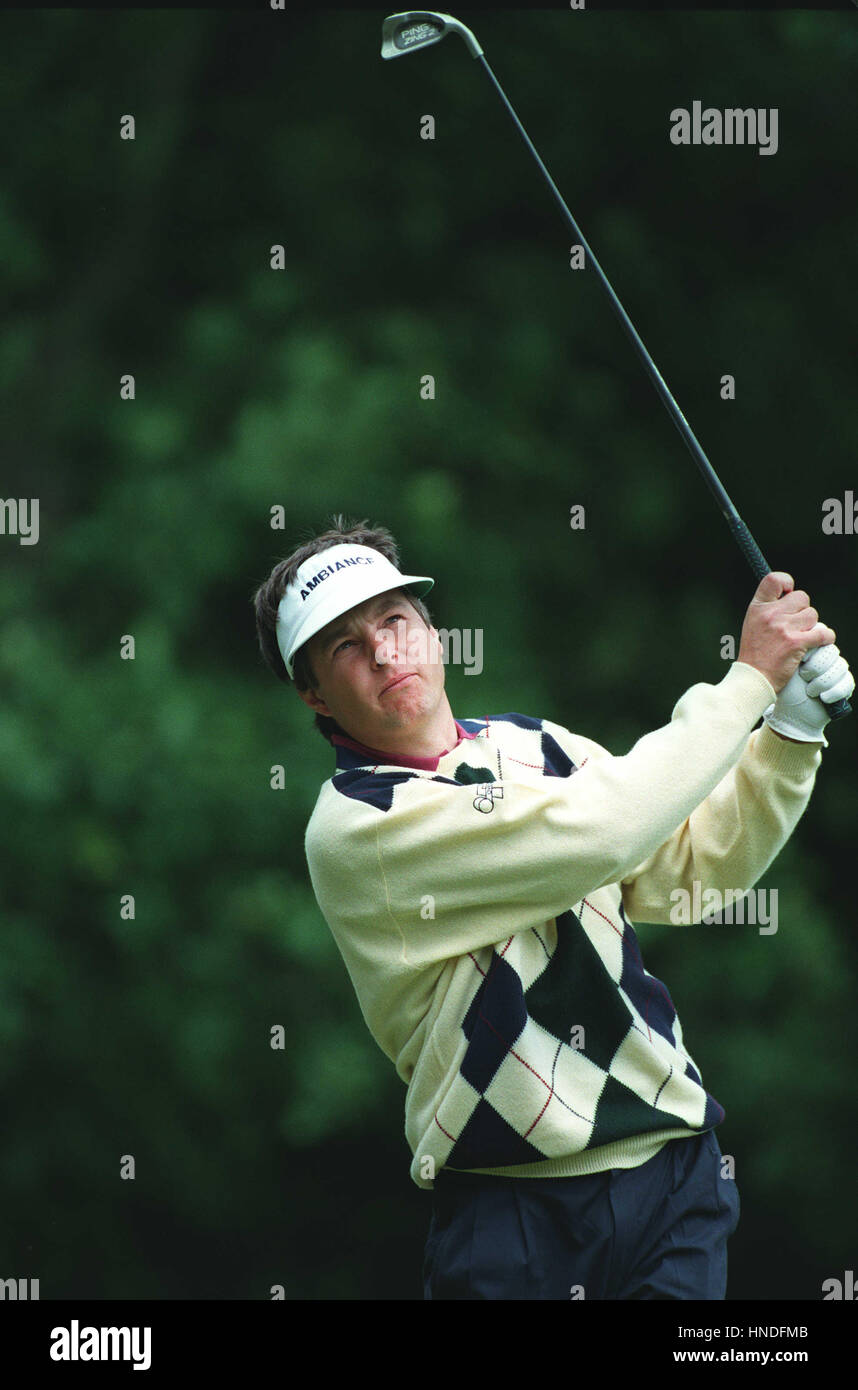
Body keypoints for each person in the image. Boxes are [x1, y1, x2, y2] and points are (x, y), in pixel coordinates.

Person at [252, 514, 853, 1300]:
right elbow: (602, 829)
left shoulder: (535, 745)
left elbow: (691, 873)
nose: (383, 653)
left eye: (395, 621)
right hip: (514, 1214)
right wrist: (746, 683)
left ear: (432, 633)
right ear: (314, 695)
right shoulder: (358, 826)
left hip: (673, 1176)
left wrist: (787, 737)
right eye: (345, 647)